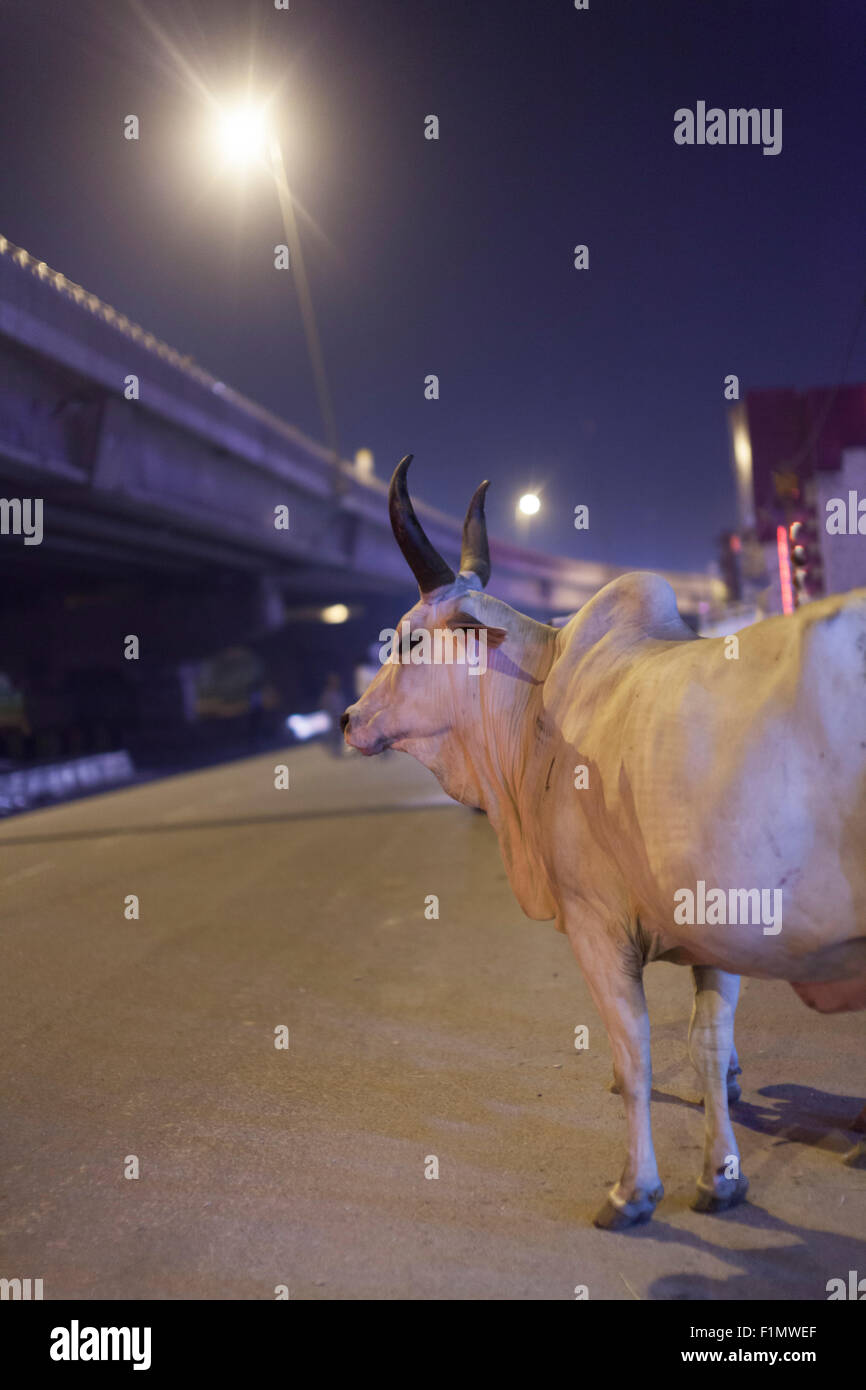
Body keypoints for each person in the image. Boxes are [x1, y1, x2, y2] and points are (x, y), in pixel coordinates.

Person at [319, 672, 347, 756]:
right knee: (334, 735)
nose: (336, 682)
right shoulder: (327, 694)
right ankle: (334, 751)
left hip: (339, 716)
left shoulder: (337, 693)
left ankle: (337, 751)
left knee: (338, 735)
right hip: (333, 717)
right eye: (334, 681)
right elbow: (323, 705)